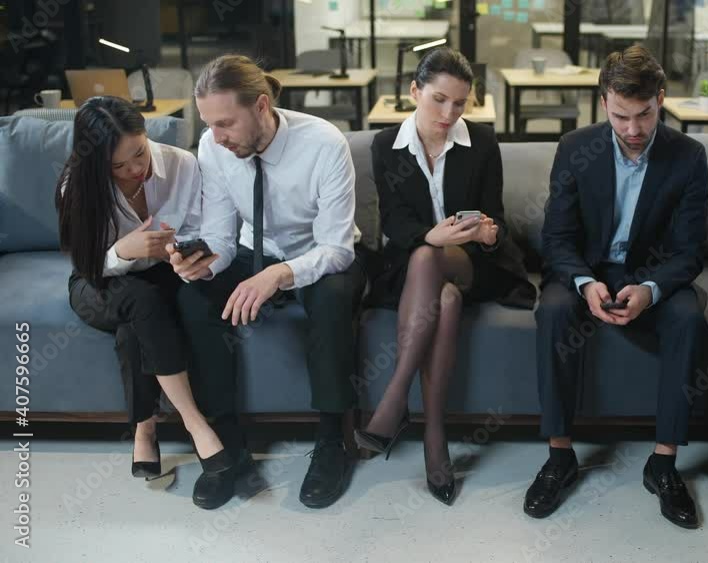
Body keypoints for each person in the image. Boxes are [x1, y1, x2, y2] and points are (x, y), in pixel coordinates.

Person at [168, 55, 366, 510]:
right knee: (193, 297)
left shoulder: (323, 143)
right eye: (209, 125)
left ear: (260, 106)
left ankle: (332, 441)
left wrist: (277, 275)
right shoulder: (213, 146)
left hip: (318, 255)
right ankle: (228, 449)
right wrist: (202, 265)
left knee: (333, 297)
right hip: (251, 252)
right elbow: (221, 235)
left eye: (225, 124)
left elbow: (337, 248)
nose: (216, 137)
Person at [523, 46, 708, 529]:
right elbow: (557, 239)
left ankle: (663, 463)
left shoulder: (689, 156)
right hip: (586, 270)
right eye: (621, 115)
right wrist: (585, 283)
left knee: (689, 317)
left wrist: (650, 288)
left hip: (653, 272)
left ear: (661, 100)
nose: (632, 130)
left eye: (644, 115)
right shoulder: (574, 147)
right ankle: (560, 456)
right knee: (554, 310)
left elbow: (689, 252)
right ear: (603, 101)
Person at [359, 47, 536, 505]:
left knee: (430, 259)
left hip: (472, 263)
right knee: (442, 291)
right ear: (414, 91)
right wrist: (431, 236)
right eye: (439, 99)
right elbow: (396, 227)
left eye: (460, 103)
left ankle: (394, 400)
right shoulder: (386, 146)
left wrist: (489, 233)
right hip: (411, 267)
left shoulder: (481, 143)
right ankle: (435, 438)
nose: (449, 112)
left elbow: (493, 219)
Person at [54, 96, 232, 482]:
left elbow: (204, 231)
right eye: (118, 165)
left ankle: (145, 430)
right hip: (97, 281)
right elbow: (85, 264)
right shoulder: (78, 186)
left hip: (160, 280)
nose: (135, 169)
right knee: (140, 299)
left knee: (136, 321)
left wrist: (185, 255)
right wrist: (121, 251)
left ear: (145, 133)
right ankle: (195, 423)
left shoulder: (183, 166)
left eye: (139, 153)